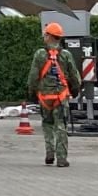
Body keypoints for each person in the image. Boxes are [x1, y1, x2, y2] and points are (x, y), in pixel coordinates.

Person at [27, 21, 81, 167]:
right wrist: (75, 90)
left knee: (47, 124)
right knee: (61, 126)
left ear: (49, 36)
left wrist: (31, 92)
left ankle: (49, 153)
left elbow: (33, 76)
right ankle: (62, 158)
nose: (44, 37)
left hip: (45, 98)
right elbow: (74, 76)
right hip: (61, 97)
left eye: (45, 35)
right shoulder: (66, 55)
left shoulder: (39, 54)